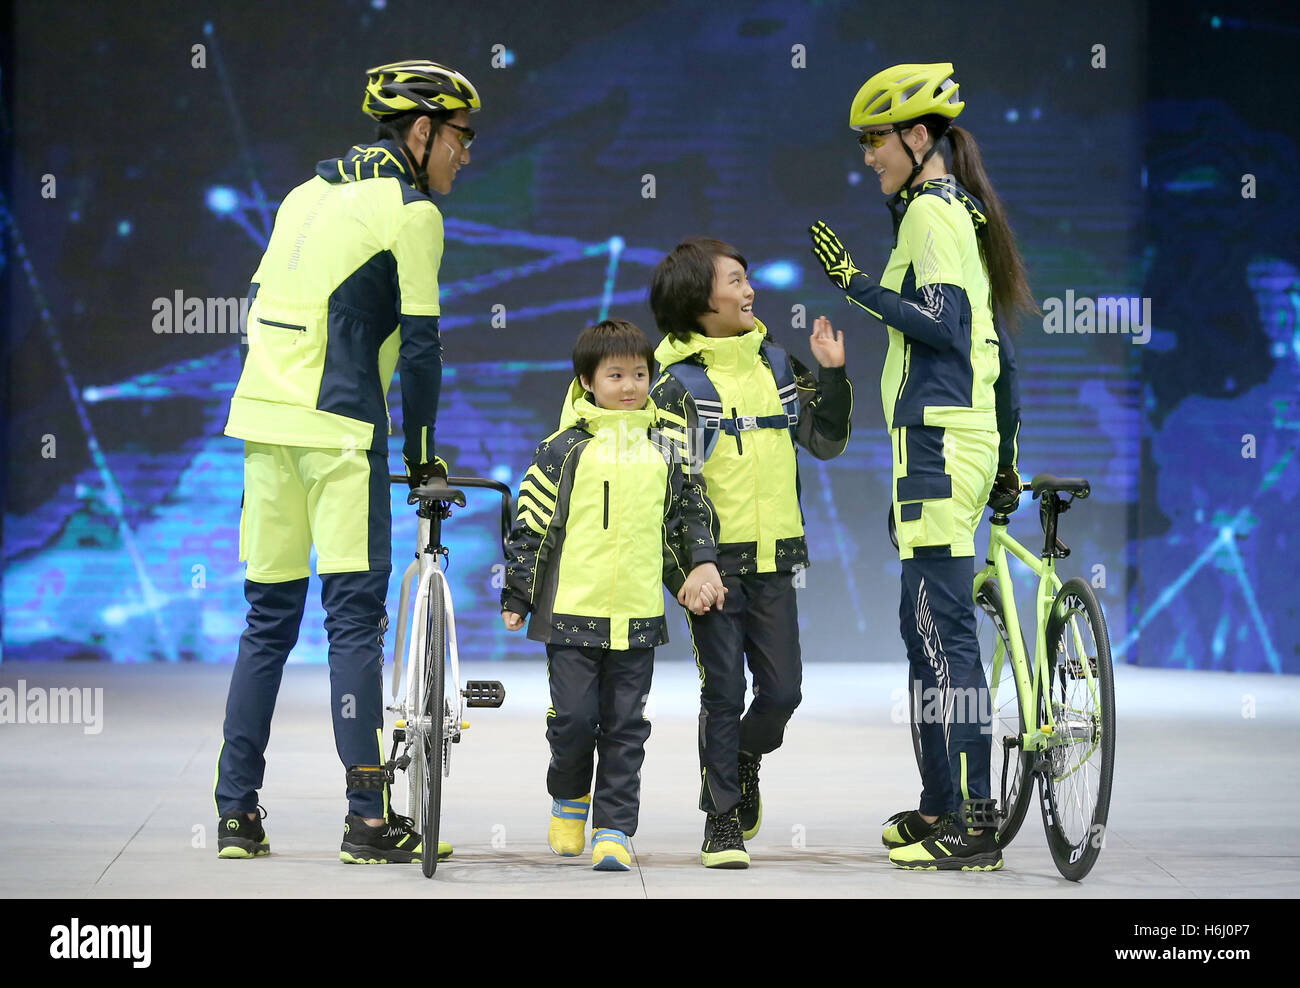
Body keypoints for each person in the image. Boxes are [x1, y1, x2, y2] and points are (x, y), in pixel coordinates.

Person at [214, 59, 480, 865]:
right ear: (422, 131)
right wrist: (423, 454)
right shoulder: (410, 212)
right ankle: (368, 818)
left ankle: (235, 815)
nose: (466, 156)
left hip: (261, 424)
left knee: (267, 623)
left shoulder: (303, 192)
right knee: (353, 622)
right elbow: (424, 349)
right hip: (338, 433)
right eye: (462, 139)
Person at [807, 62, 1032, 870]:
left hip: (937, 442)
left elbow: (942, 325)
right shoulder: (955, 213)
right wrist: (1006, 456)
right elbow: (998, 351)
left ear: (918, 136)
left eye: (876, 142)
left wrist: (855, 285)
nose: (868, 157)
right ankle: (943, 801)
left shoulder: (933, 216)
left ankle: (976, 820)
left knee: (944, 633)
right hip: (946, 441)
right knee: (922, 626)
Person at [648, 238, 853, 868]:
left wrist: (834, 374)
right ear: (699, 300)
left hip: (776, 561)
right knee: (721, 694)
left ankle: (740, 757)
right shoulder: (674, 386)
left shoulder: (776, 363)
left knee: (783, 693)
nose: (750, 291)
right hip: (713, 566)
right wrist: (695, 562)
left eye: (747, 277)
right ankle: (722, 821)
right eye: (736, 280)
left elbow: (827, 442)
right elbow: (673, 489)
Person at [500, 319, 724, 871]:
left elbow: (686, 516)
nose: (629, 386)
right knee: (574, 720)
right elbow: (533, 526)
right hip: (571, 614)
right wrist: (518, 594)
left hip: (637, 619)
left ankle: (616, 829)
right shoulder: (562, 449)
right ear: (586, 381)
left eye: (640, 374)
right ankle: (569, 795)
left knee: (626, 728)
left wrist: (697, 569)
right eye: (615, 374)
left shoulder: (665, 450)